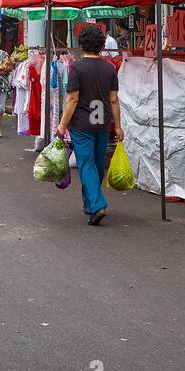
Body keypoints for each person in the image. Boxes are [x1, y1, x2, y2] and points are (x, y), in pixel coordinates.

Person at [56, 24, 123, 226]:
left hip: (81, 125)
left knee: (87, 165)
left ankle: (97, 204)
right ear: (102, 45)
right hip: (103, 123)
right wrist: (118, 126)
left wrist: (61, 126)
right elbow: (114, 100)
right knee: (97, 164)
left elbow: (72, 100)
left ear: (81, 44)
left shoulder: (76, 67)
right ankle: (89, 202)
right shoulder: (109, 67)